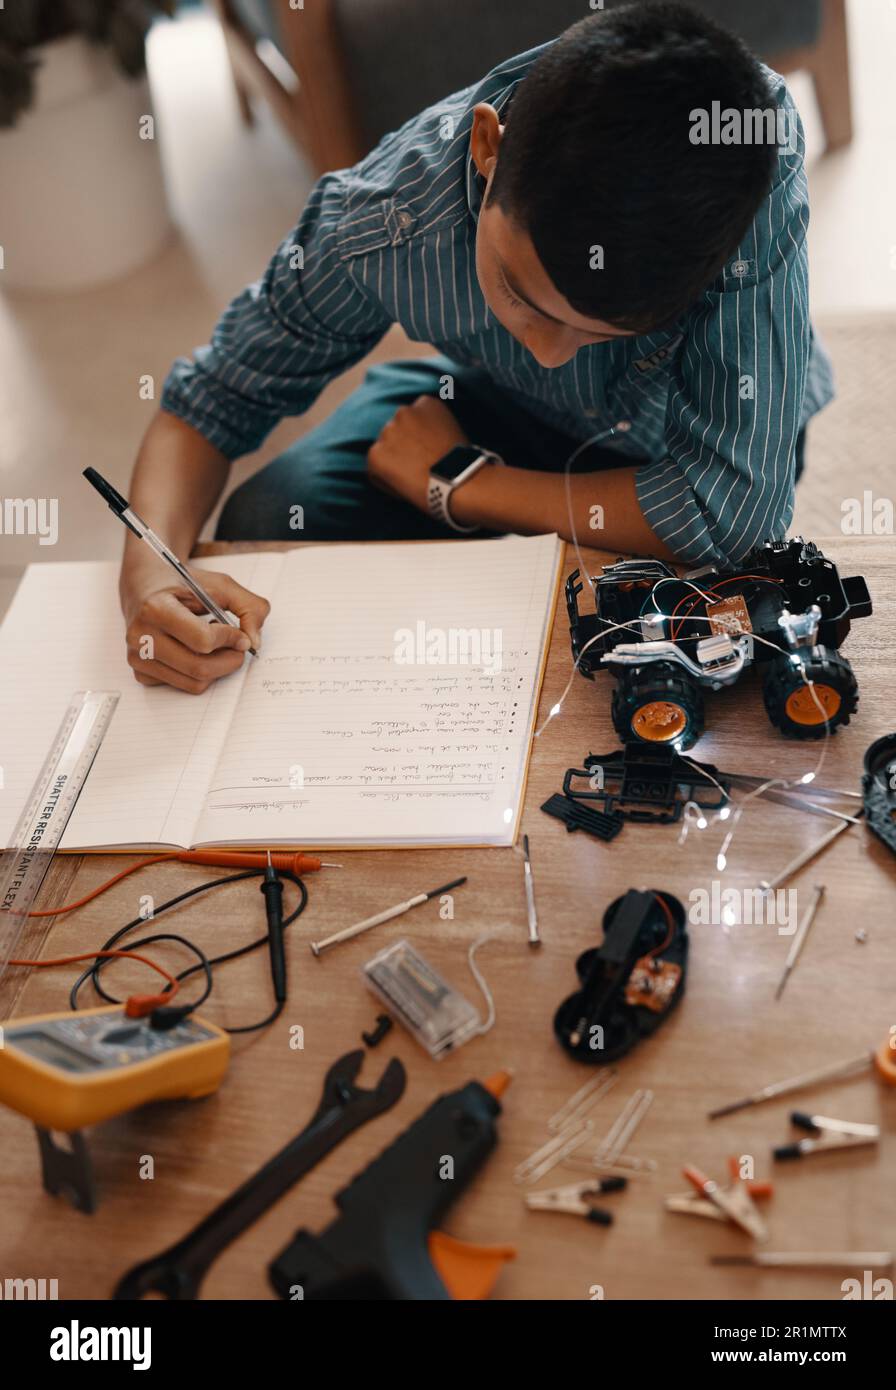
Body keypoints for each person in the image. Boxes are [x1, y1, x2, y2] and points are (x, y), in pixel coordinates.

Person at [119, 1, 832, 693]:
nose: (555, 353)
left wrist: (465, 485)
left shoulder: (746, 160)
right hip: (500, 403)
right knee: (270, 522)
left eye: (608, 332)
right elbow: (215, 400)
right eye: (520, 295)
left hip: (689, 439)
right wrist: (149, 574)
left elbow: (730, 512)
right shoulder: (384, 222)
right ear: (487, 147)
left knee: (710, 628)